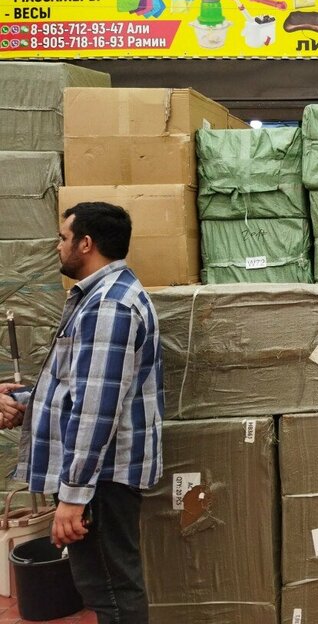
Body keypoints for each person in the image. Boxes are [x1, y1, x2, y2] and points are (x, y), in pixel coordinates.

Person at [0, 202, 163, 624]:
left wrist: (74, 496)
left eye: (63, 238)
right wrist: (27, 401)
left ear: (86, 243)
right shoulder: (102, 297)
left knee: (110, 591)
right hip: (97, 477)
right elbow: (81, 387)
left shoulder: (109, 306)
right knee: (107, 585)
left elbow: (97, 409)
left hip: (100, 478)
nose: (58, 246)